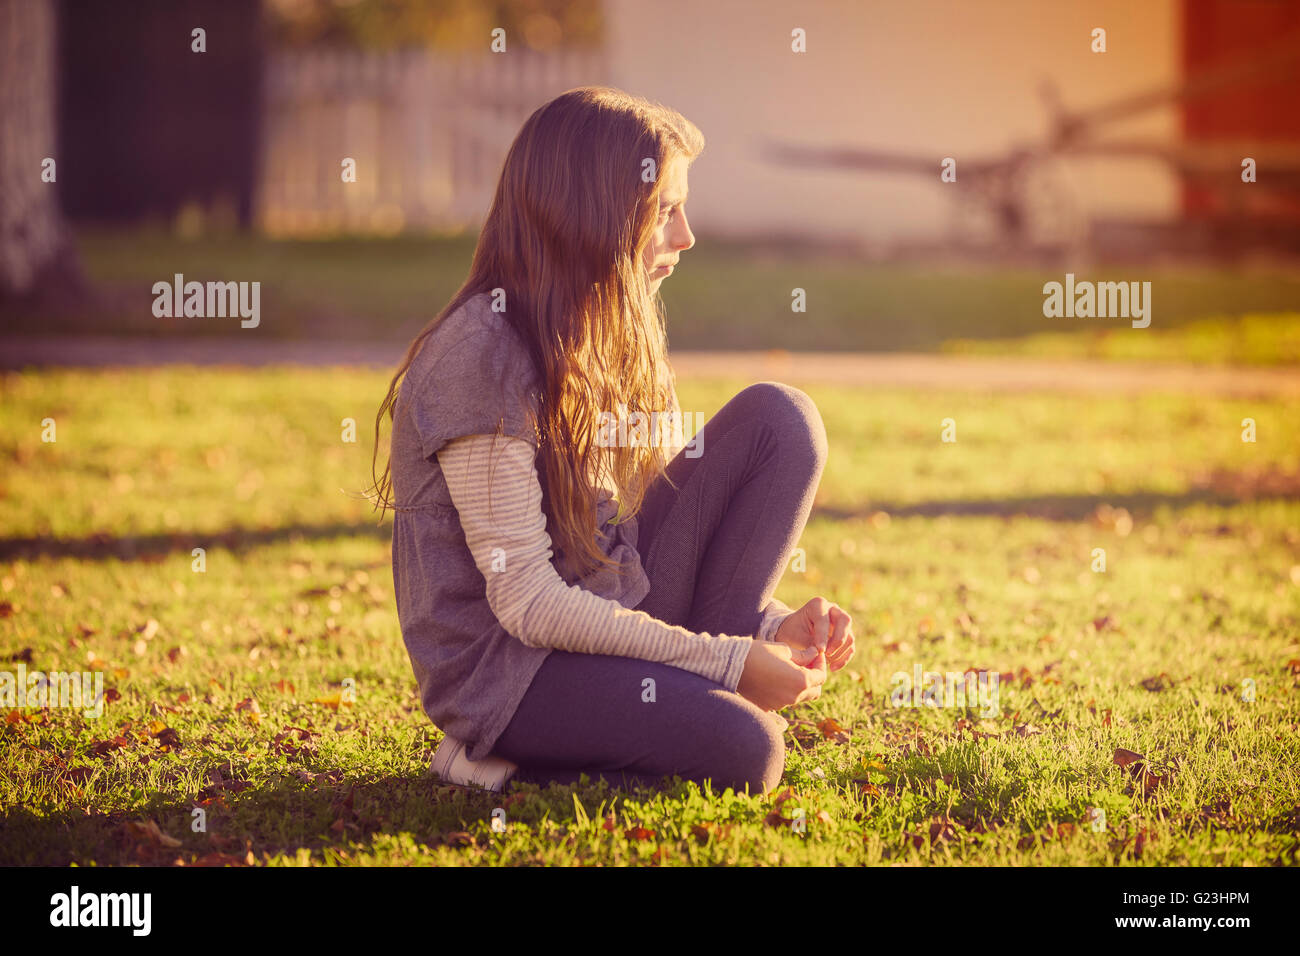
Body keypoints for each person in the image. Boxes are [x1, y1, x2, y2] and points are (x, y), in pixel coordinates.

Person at [369, 86, 855, 796]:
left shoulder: (611, 334)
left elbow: (645, 538)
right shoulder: (481, 354)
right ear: (594, 216)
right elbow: (528, 604)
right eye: (665, 212)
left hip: (607, 616)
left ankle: (688, 700)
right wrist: (726, 665)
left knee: (780, 420)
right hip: (515, 672)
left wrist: (774, 625)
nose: (686, 236)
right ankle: (497, 766)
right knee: (748, 752)